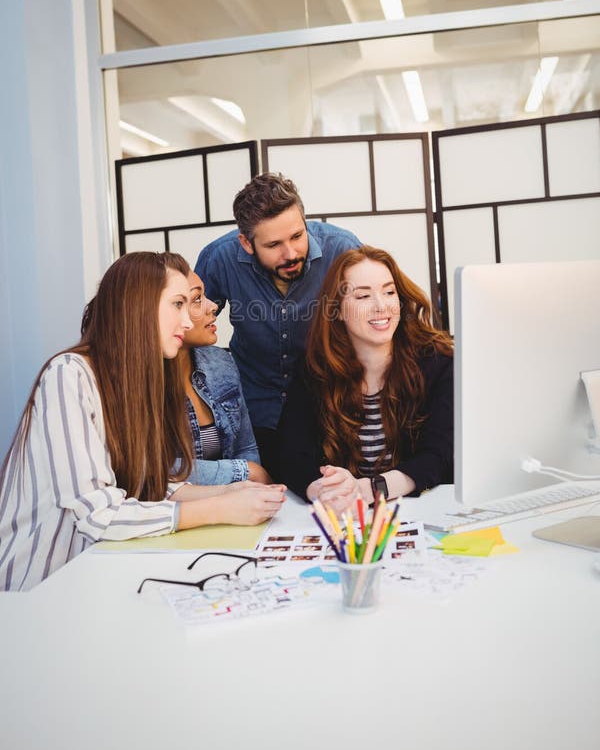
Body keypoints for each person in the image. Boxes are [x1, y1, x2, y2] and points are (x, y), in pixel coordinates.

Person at [0, 252, 285, 591]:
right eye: (178, 304)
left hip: (95, 578)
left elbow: (145, 485)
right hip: (35, 592)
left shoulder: (136, 384)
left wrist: (231, 490)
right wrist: (221, 507)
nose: (186, 321)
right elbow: (98, 513)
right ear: (140, 306)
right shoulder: (68, 375)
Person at [195, 173, 360, 480]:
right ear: (246, 242)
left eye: (298, 236)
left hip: (328, 408)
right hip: (255, 410)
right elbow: (191, 327)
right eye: (274, 244)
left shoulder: (343, 249)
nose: (291, 253)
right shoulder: (219, 258)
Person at [277, 246, 453, 512]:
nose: (381, 306)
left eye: (389, 292)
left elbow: (440, 455)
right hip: (344, 519)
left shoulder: (437, 361)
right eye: (363, 296)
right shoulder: (315, 370)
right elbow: (290, 456)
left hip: (423, 511)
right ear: (337, 310)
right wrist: (324, 490)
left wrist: (370, 489)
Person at [181, 269, 271, 486]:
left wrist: (253, 490)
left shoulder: (220, 361)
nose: (213, 306)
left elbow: (245, 447)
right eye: (197, 299)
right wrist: (243, 472)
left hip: (233, 509)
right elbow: (154, 470)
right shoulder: (134, 381)